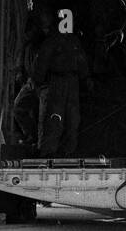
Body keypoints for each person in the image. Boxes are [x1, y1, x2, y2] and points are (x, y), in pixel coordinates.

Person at [31, 27, 90, 157]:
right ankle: (49, 152)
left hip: (71, 82)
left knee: (72, 118)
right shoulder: (53, 41)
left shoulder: (73, 41)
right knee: (55, 117)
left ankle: (68, 151)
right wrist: (38, 80)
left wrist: (86, 78)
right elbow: (43, 61)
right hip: (58, 80)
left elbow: (81, 61)